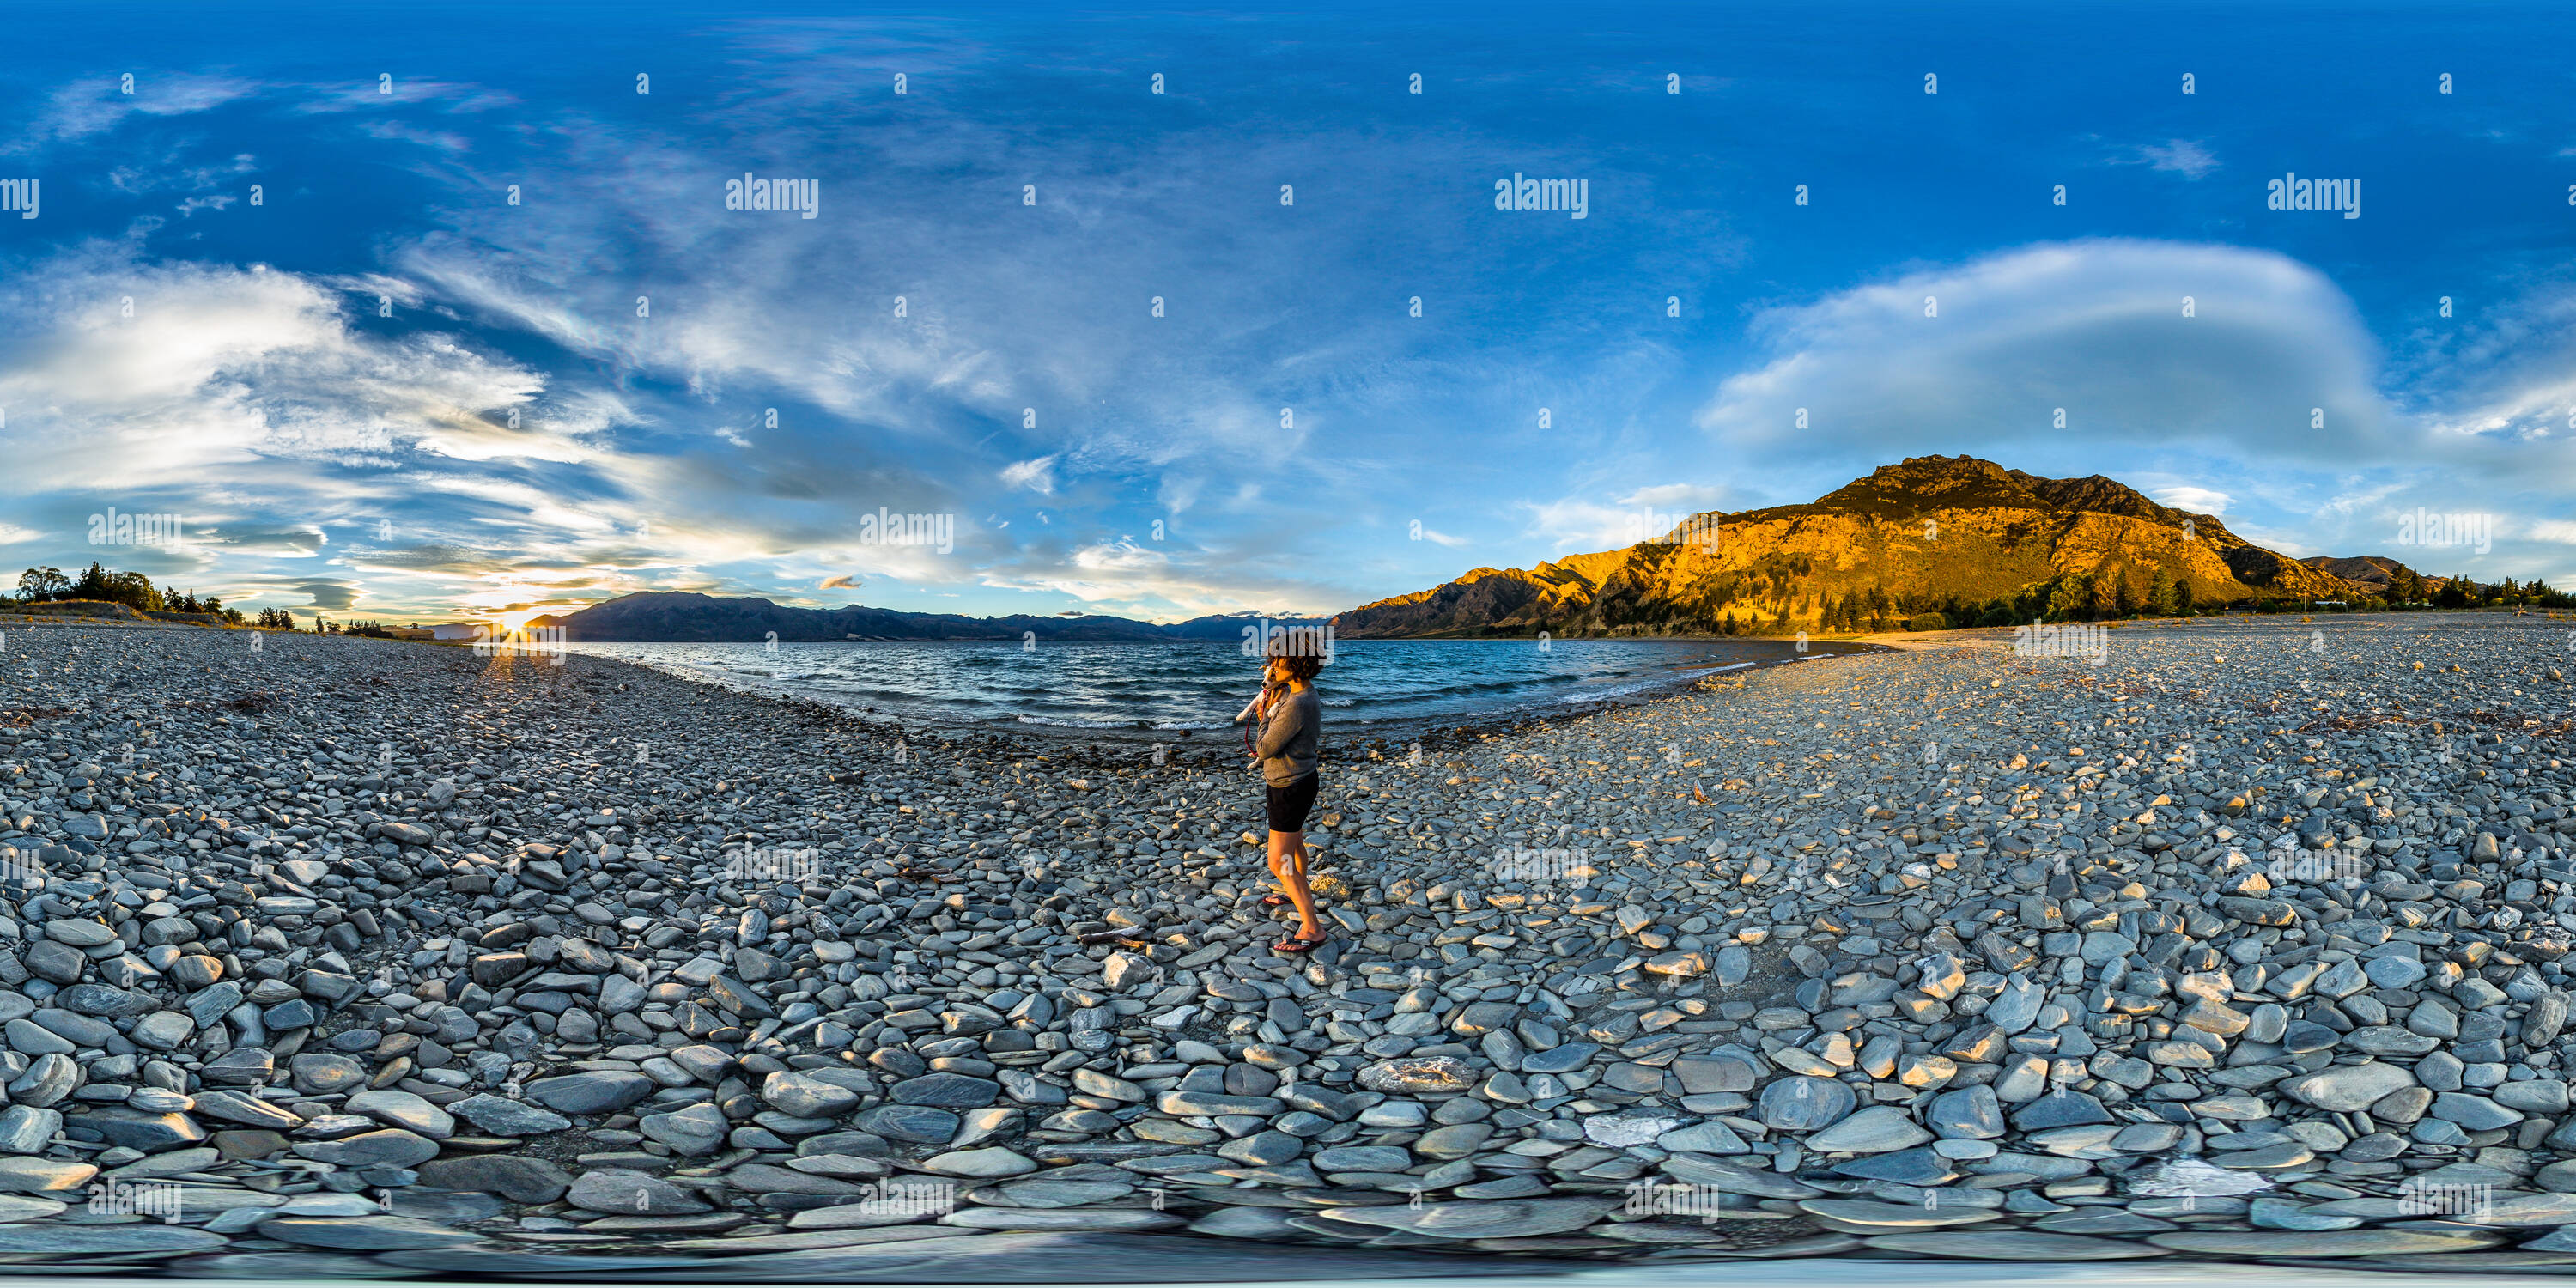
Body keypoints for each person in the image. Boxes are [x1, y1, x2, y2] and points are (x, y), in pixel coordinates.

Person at [1244, 639, 1325, 953]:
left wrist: (1265, 713)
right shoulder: (1302, 694)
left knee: (1279, 861)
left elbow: (1264, 749)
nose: (1273, 666)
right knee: (1295, 844)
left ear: (1297, 664)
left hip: (1289, 785)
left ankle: (1312, 927)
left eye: (1279, 661)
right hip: (1299, 780)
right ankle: (1296, 890)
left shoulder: (1295, 704)